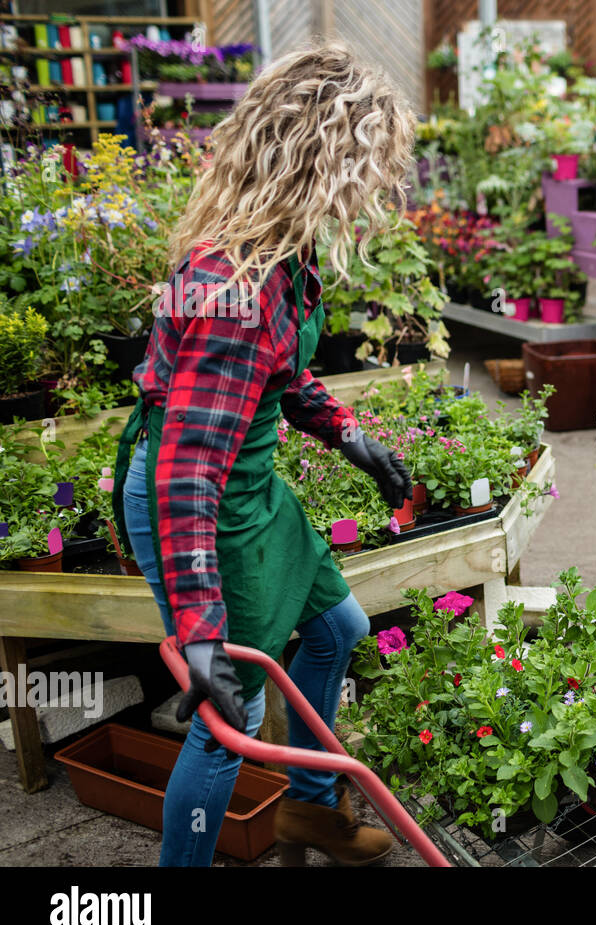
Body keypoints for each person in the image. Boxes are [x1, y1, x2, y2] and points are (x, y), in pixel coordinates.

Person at [109, 44, 415, 867]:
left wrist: (350, 435)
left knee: (335, 631)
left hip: (242, 482)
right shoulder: (230, 290)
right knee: (229, 717)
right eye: (368, 165)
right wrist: (203, 636)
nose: (375, 188)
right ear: (324, 157)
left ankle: (310, 812)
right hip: (198, 499)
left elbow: (280, 370)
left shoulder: (271, 248)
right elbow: (184, 477)